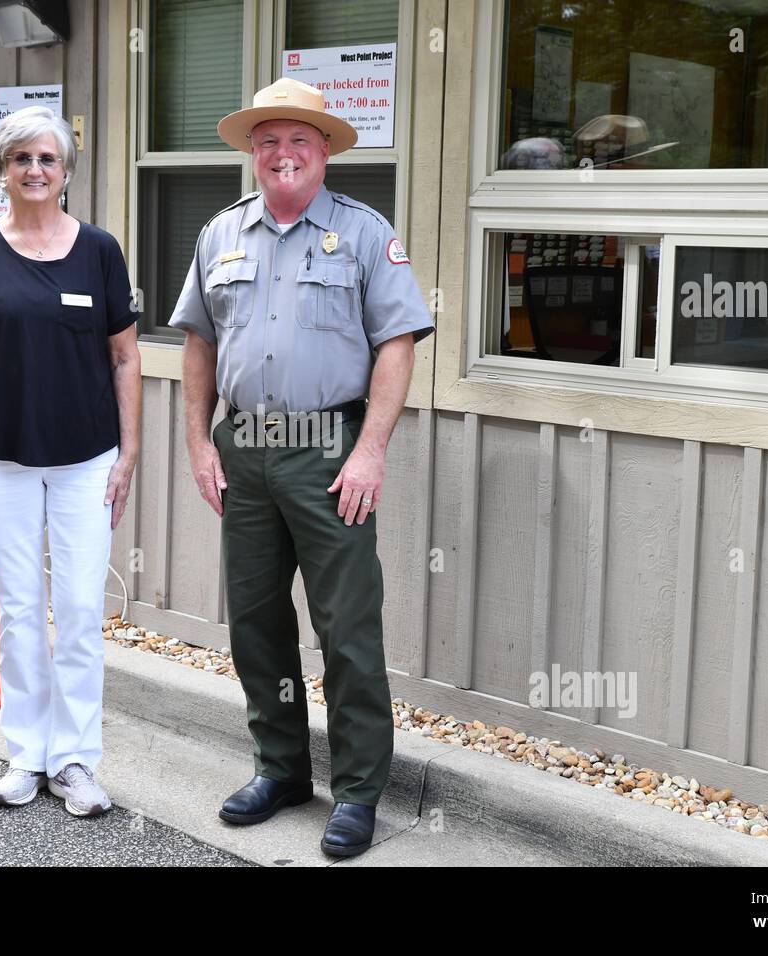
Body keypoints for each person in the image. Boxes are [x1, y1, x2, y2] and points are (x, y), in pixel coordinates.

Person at [170, 77, 435, 857]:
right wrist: (198, 442)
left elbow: (396, 344)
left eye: (298, 142)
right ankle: (281, 768)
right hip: (243, 449)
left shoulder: (361, 232)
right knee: (255, 622)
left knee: (346, 626)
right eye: (268, 142)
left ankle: (357, 791)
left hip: (330, 449)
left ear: (323, 153)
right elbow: (199, 345)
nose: (282, 154)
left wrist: (370, 451)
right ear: (252, 153)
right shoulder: (220, 235)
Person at [0, 106, 140, 815]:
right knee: (21, 612)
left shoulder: (100, 251)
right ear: (2, 169)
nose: (34, 170)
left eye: (46, 159)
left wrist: (130, 449)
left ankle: (76, 760)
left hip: (88, 456)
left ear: (66, 172)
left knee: (81, 609)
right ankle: (28, 754)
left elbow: (124, 355)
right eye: (20, 158)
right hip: (0, 457)